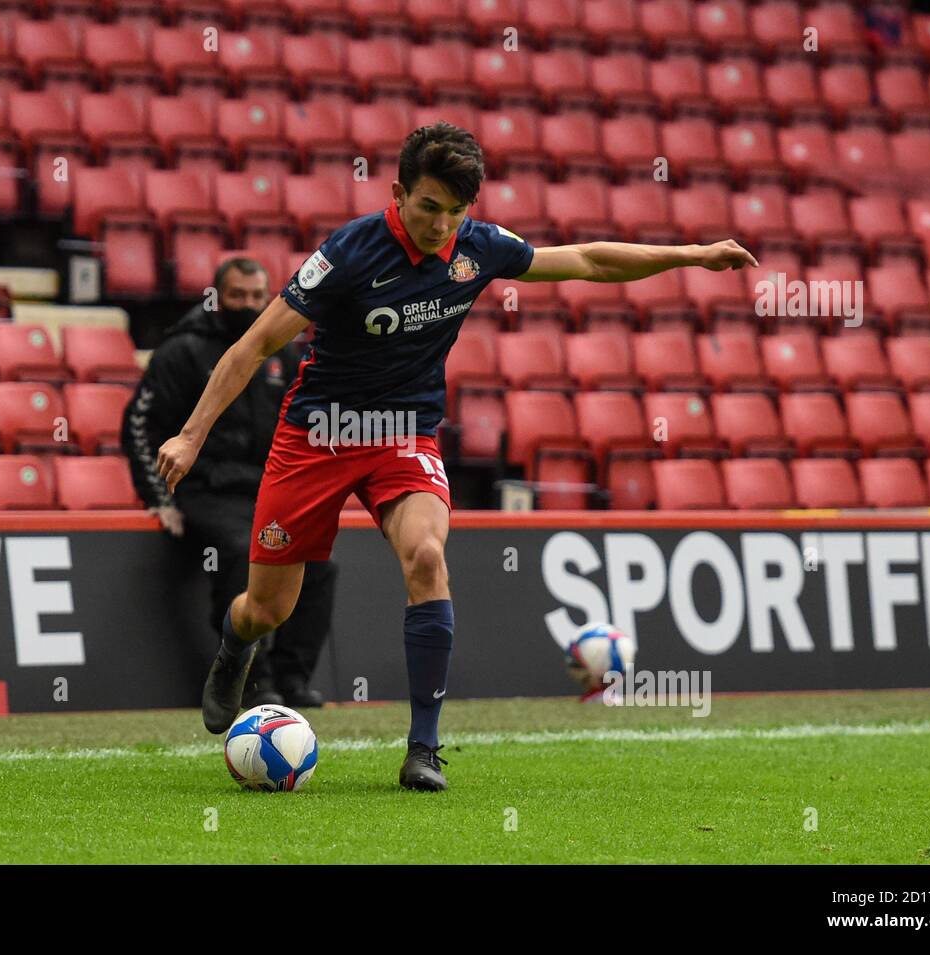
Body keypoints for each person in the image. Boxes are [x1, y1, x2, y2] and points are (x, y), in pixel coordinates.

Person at [155, 122, 757, 790]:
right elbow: (252, 348)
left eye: (456, 212)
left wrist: (693, 254)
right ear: (398, 193)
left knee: (428, 556)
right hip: (318, 434)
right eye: (429, 207)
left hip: (404, 433)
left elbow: (587, 261)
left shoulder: (478, 248)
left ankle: (423, 747)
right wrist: (191, 433)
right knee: (268, 609)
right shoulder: (348, 254)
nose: (442, 225)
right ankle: (237, 643)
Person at [121, 256, 336, 710]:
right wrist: (158, 499)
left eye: (258, 297)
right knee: (241, 551)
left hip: (265, 488)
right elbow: (139, 426)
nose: (248, 305)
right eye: (237, 296)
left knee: (318, 564)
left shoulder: (284, 350)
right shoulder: (182, 350)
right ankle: (252, 680)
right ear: (217, 296)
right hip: (206, 491)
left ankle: (294, 681)